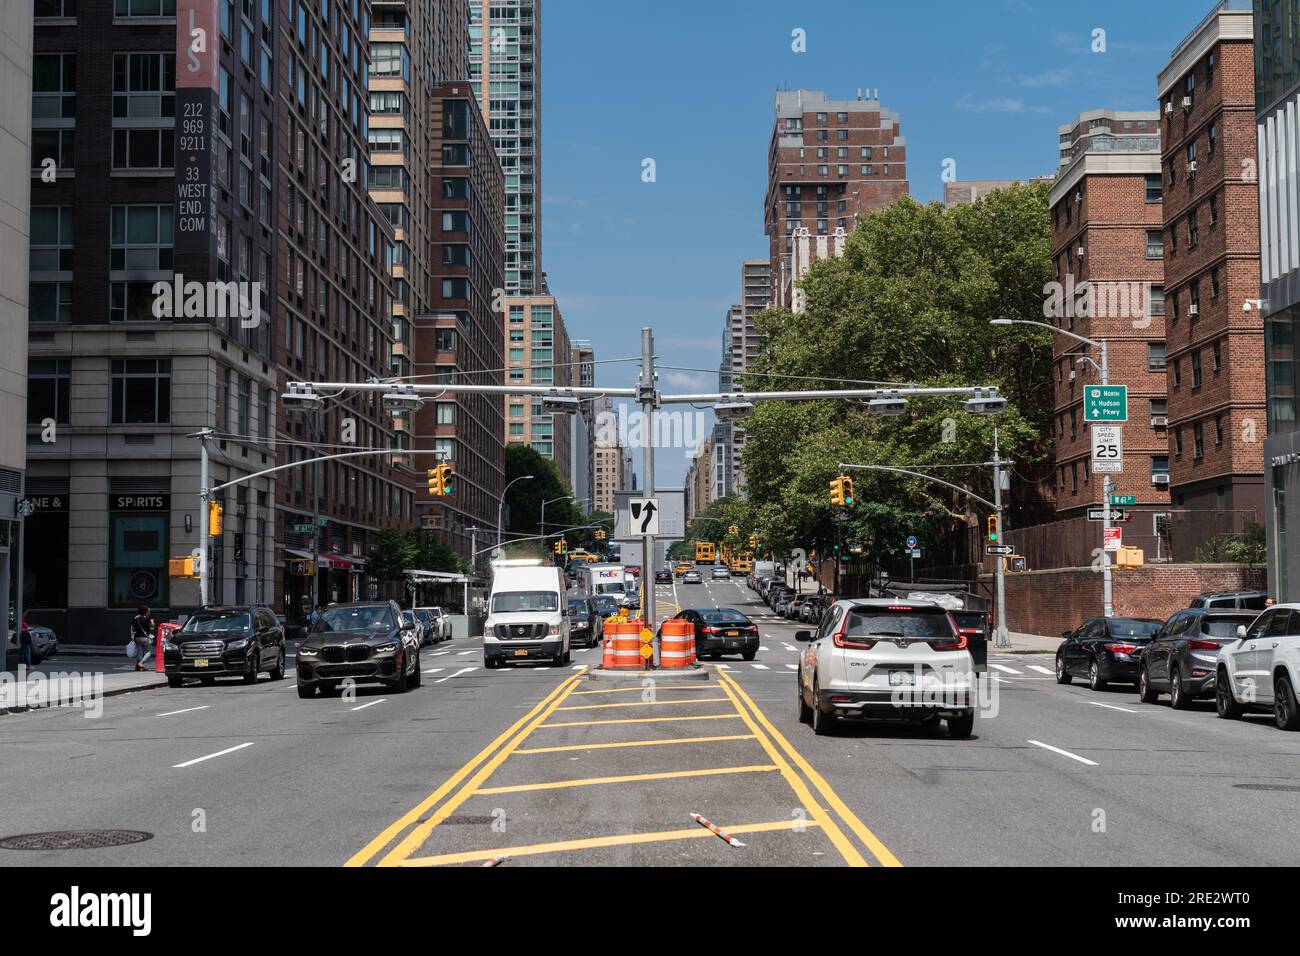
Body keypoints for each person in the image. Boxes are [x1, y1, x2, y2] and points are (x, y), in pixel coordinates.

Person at [131, 605, 155, 672]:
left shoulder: (135, 618)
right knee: (149, 652)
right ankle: (141, 663)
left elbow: (133, 628)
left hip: (137, 637)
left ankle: (138, 667)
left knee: (140, 652)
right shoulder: (147, 618)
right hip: (144, 638)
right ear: (146, 611)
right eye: (148, 610)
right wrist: (152, 621)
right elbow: (152, 626)